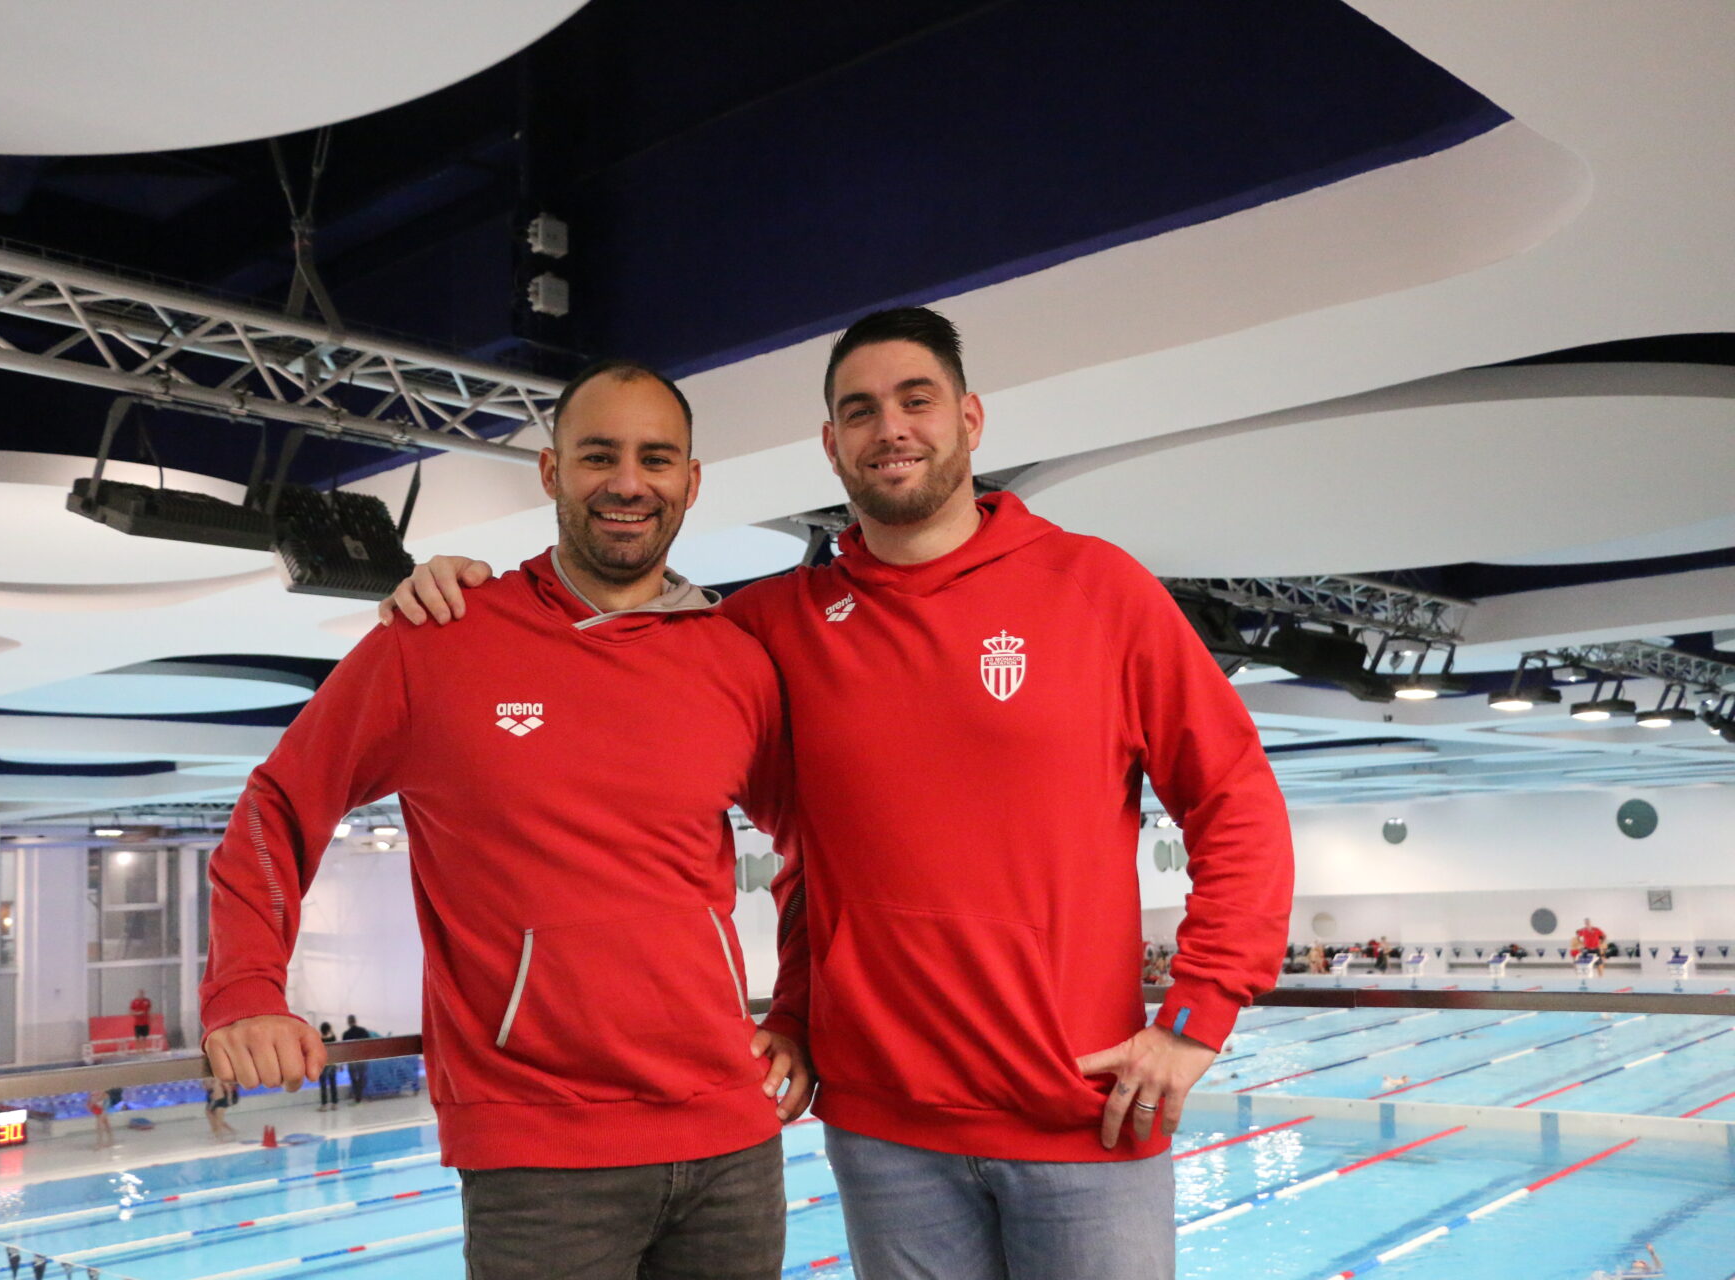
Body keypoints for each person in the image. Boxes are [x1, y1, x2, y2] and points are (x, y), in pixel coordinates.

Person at [384, 307, 1293, 1279]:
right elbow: (619, 636)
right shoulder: (778, 624)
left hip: (1083, 1118)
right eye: (860, 410)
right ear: (830, 444)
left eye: (917, 400)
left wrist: (1198, 1016)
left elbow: (1233, 798)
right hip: (885, 1132)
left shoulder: (1096, 588)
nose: (889, 427)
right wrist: (475, 599)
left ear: (971, 419)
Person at [200, 361, 810, 1280]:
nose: (628, 483)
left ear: (691, 481)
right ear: (550, 471)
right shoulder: (443, 636)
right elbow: (281, 802)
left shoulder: (733, 662)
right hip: (540, 1157)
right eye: (598, 455)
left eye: (656, 458)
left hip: (732, 1140)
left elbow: (817, 848)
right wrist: (246, 989)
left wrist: (797, 1009)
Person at [338, 1013, 371, 1105]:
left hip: (351, 1060)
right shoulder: (363, 1031)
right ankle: (359, 1096)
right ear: (355, 1021)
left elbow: (344, 1049)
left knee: (353, 1078)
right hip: (362, 1059)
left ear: (348, 1022)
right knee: (362, 1077)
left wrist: (341, 1064)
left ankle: (357, 1097)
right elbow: (369, 1044)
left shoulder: (346, 1034)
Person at [317, 1021, 339, 1111]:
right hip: (332, 1063)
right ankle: (334, 1104)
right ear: (329, 1030)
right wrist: (331, 1030)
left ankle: (324, 1105)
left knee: (323, 1085)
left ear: (321, 1030)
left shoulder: (319, 1040)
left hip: (323, 1064)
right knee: (333, 1084)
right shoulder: (333, 1038)